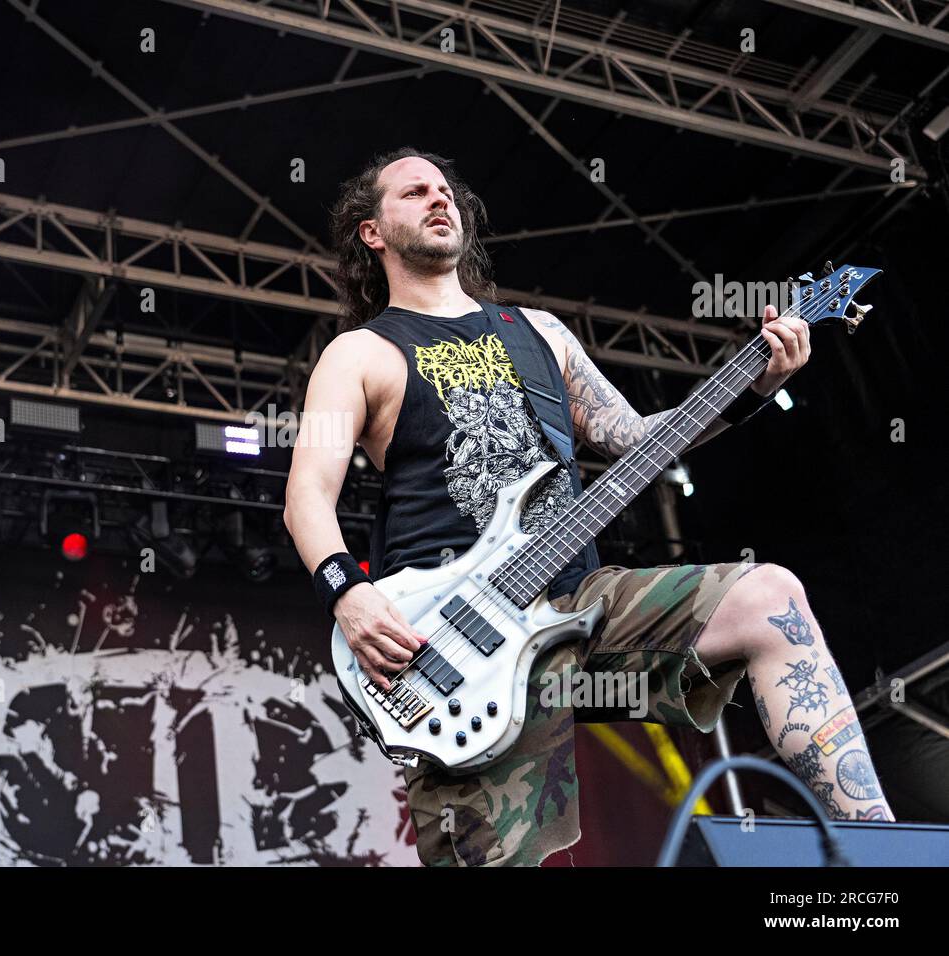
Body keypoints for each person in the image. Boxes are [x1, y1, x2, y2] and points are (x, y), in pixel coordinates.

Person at [282, 146, 895, 866]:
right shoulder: (359, 352)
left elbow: (637, 439)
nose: (439, 199)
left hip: (578, 602)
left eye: (446, 189)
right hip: (451, 644)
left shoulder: (538, 334)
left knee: (771, 597)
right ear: (372, 232)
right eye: (414, 192)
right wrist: (347, 595)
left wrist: (753, 380)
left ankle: (880, 850)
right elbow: (306, 497)